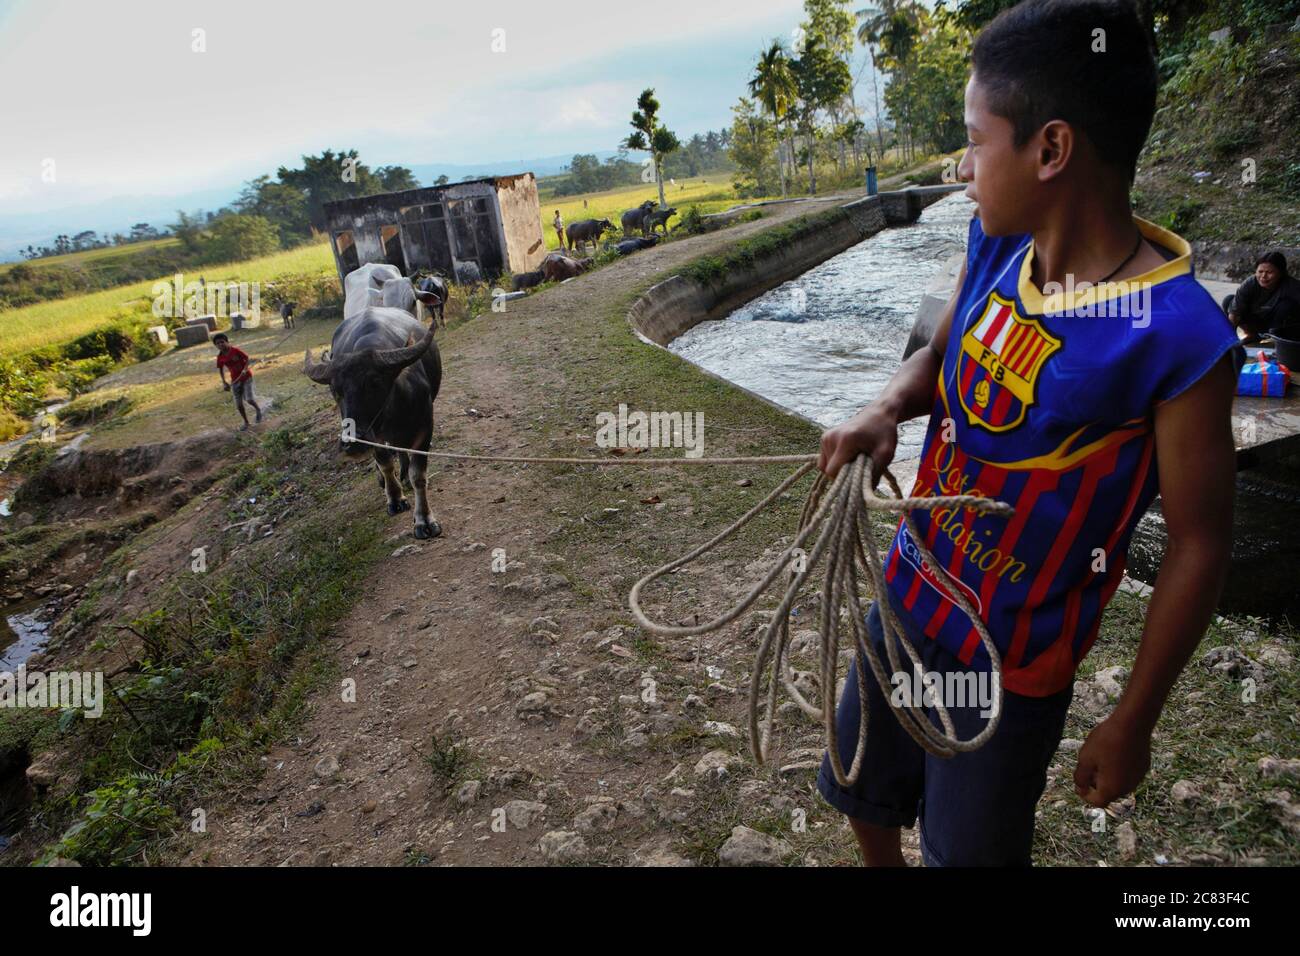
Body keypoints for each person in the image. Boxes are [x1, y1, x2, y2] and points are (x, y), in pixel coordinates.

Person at [815, 0, 1237, 867]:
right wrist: (887, 406)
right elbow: (941, 347)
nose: (964, 167)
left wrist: (1135, 718)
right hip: (910, 597)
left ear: (1050, 150)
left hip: (1012, 666)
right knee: (863, 783)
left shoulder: (1179, 339)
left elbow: (1198, 543)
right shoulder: (996, 244)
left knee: (966, 855)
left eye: (975, 139)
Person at [1224, 251, 1300, 343]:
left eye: (1269, 272)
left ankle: (1277, 339)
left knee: (1287, 305)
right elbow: (1234, 314)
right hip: (1256, 321)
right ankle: (1251, 334)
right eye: (1260, 272)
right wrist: (1229, 341)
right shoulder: (1249, 284)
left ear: (1281, 273)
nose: (1263, 276)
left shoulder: (1292, 286)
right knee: (1229, 300)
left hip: (1278, 325)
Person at [213, 333, 263, 431]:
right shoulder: (220, 357)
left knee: (249, 399)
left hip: (246, 378)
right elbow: (220, 369)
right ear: (216, 345)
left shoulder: (235, 350)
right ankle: (246, 422)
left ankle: (258, 410)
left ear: (227, 342)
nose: (220, 345)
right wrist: (224, 382)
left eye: (222, 342)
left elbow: (247, 358)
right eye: (218, 343)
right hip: (235, 381)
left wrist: (245, 369)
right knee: (239, 405)